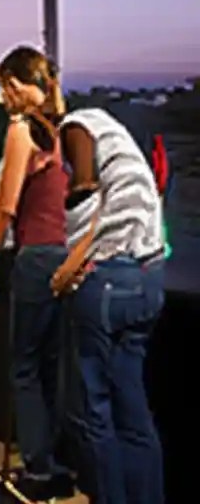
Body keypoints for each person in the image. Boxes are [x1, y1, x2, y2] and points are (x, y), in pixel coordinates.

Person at [0, 45, 77, 501]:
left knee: (25, 369)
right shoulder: (62, 131)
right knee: (50, 367)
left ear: (16, 84)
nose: (3, 98)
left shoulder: (22, 131)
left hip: (34, 257)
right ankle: (55, 464)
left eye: (5, 87)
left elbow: (5, 208)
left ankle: (38, 471)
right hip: (65, 257)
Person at [50, 105, 168, 504]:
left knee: (91, 411)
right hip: (148, 276)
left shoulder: (74, 126)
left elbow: (85, 188)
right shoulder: (113, 134)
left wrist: (72, 264)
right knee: (132, 412)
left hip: (108, 282)